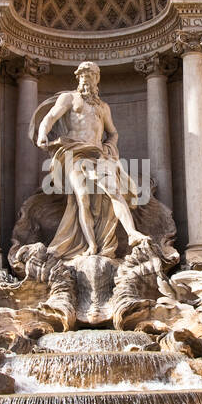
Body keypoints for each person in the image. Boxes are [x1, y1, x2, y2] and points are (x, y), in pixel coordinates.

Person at [33, 61, 148, 259]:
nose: (87, 78)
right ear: (78, 78)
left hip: (98, 154)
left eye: (91, 75)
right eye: (83, 75)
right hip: (74, 152)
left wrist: (109, 147)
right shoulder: (69, 98)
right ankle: (91, 245)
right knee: (82, 198)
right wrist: (42, 134)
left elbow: (113, 133)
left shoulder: (103, 107)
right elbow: (50, 116)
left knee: (114, 191)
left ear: (97, 79)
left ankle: (131, 233)